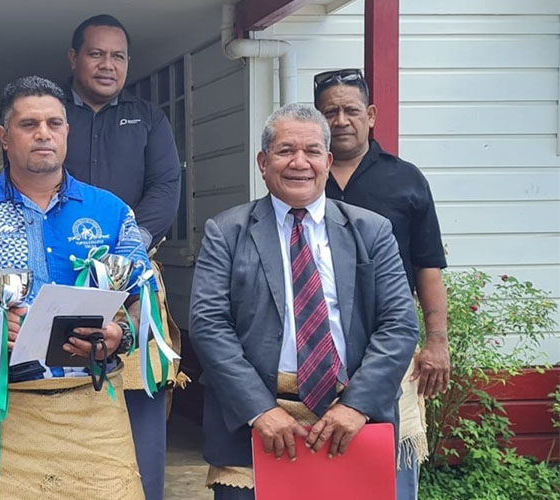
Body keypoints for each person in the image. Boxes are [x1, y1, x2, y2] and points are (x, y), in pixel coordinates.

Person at [0, 76, 149, 500]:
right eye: (29, 125)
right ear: (4, 137)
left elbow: (141, 299)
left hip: (94, 413)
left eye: (54, 123)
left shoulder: (112, 212)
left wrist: (124, 334)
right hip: (3, 414)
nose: (43, 133)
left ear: (66, 133)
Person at [190, 103, 420, 500]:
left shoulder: (372, 231)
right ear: (263, 162)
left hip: (352, 421)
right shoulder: (226, 232)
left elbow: (399, 324)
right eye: (285, 151)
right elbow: (210, 325)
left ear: (328, 161)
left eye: (312, 151)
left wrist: (356, 406)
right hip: (256, 424)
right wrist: (261, 410)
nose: (300, 162)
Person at [314, 68, 450, 500]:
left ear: (370, 115)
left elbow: (428, 265)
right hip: (311, 344)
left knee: (390, 464)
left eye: (351, 110)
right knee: (318, 457)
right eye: (329, 111)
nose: (340, 120)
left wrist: (437, 341)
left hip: (388, 342)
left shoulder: (406, 179)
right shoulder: (302, 177)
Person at [63, 16, 182, 498]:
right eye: (96, 54)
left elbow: (166, 187)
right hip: (58, 275)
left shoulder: (149, 118)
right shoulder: (52, 112)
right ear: (74, 58)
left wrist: (126, 248)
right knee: (65, 384)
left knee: (139, 393)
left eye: (118, 56)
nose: (108, 65)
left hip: (133, 277)